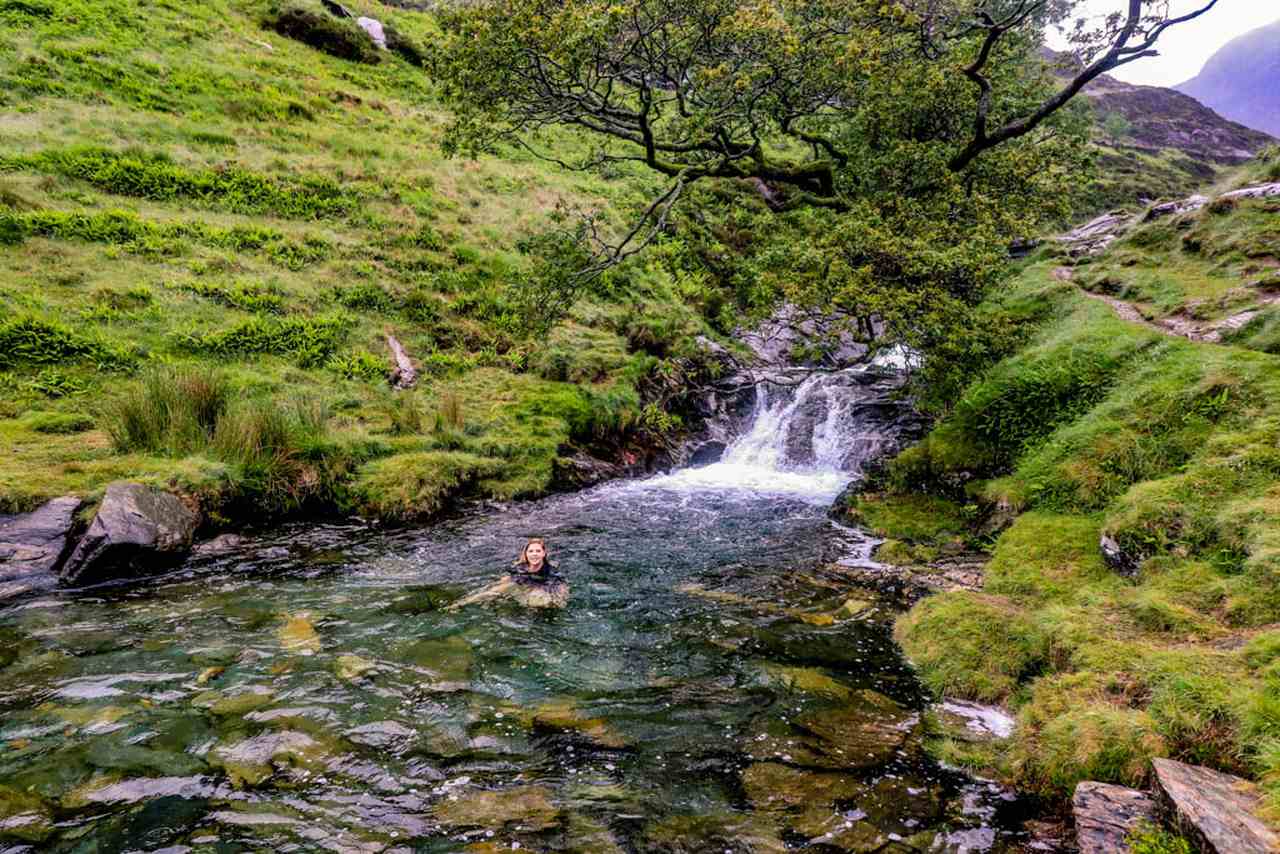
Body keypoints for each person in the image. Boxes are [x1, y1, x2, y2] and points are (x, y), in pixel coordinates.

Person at [447, 537, 569, 610]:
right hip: (524, 583)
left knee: (537, 602)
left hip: (542, 588)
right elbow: (501, 583)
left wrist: (559, 600)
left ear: (544, 553)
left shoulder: (552, 572)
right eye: (531, 551)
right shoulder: (519, 568)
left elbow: (562, 589)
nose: (534, 554)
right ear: (526, 554)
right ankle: (460, 604)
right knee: (494, 590)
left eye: (538, 551)